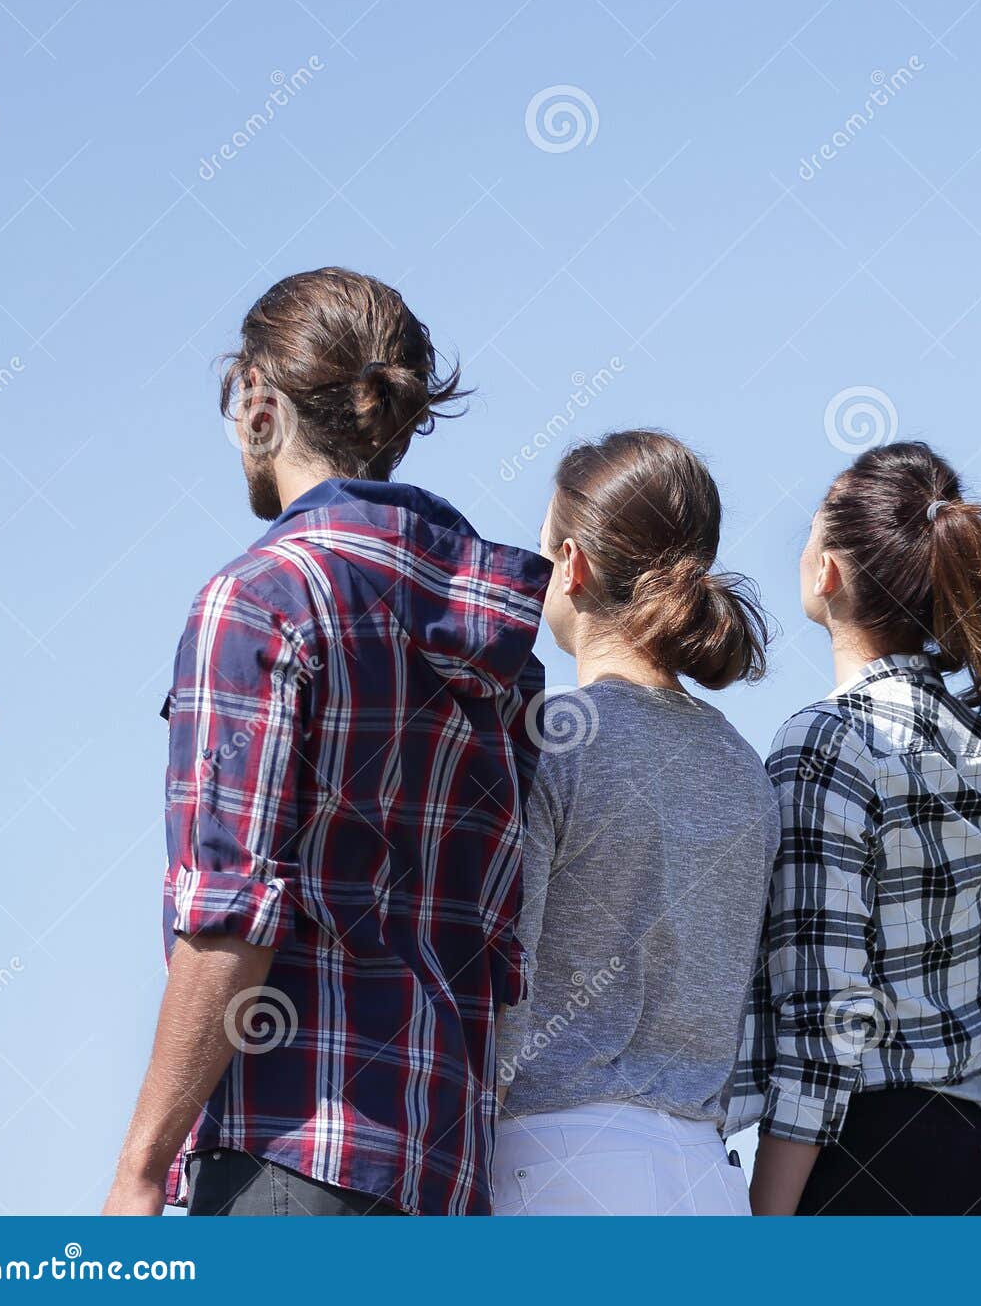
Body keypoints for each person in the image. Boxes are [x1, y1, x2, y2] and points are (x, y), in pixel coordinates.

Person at [103, 268, 548, 1216]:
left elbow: (229, 918)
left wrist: (140, 1168)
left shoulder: (261, 601)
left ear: (260, 400)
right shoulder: (499, 644)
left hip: (289, 1152)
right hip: (446, 1167)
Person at [728, 440, 981, 1216]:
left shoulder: (825, 744)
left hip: (856, 1163)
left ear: (829, 573)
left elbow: (831, 1024)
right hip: (973, 1160)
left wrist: (762, 1222)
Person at [493, 430, 779, 1216]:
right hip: (705, 1177)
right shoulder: (746, 769)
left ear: (572, 564)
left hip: (555, 1165)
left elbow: (506, 986)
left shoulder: (552, 741)